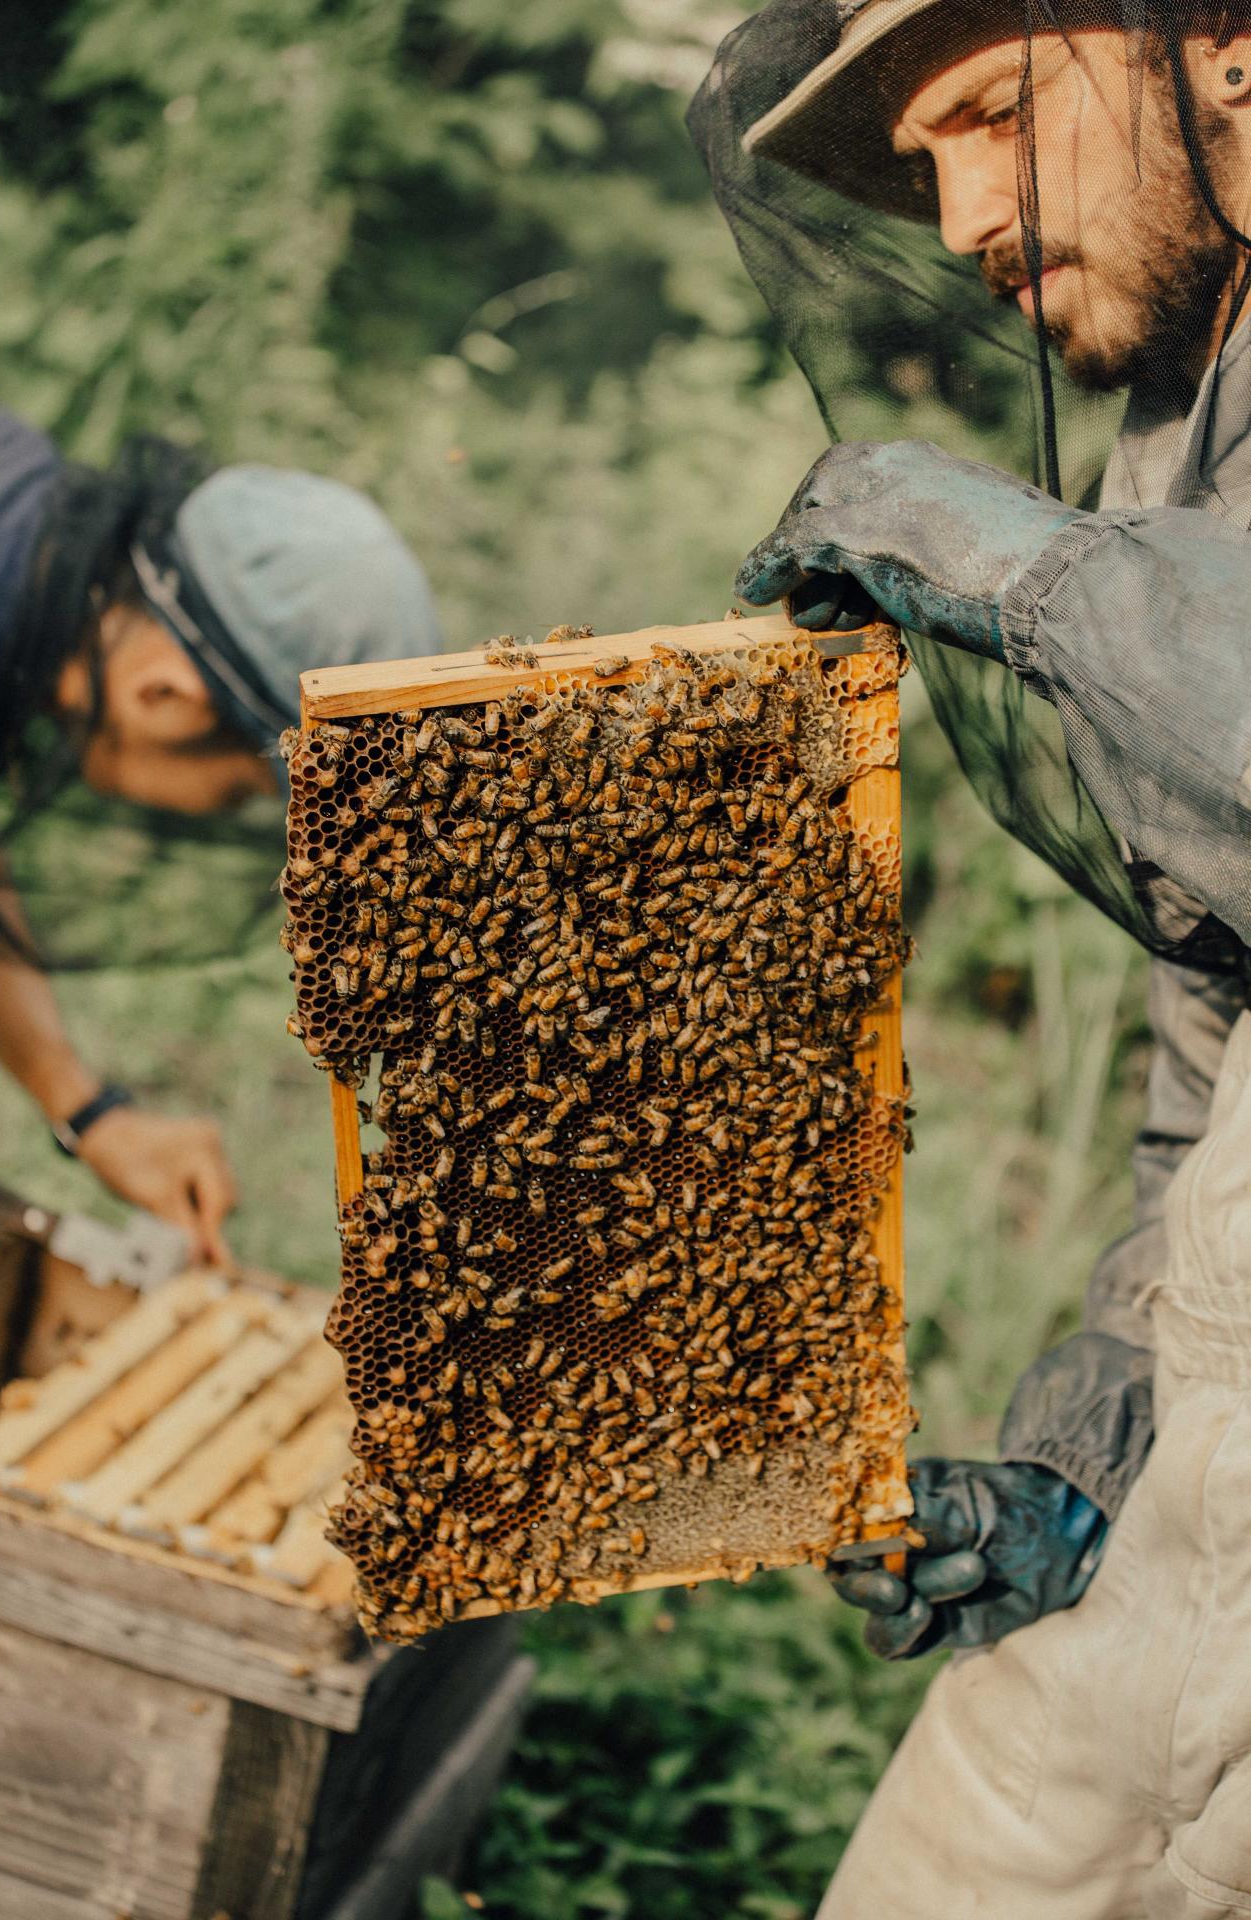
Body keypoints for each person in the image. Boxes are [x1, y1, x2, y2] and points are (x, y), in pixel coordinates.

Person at [689, 3, 1251, 1914]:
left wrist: (1002, 559)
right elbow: (1222, 1025)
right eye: (924, 167)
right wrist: (1097, 1439)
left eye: (993, 112)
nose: (961, 217)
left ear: (1226, 50)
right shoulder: (1188, 415)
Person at [0, 392, 439, 1263]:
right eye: (237, 797)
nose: (225, 816)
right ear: (164, 695)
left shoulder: (10, 516)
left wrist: (86, 1109)